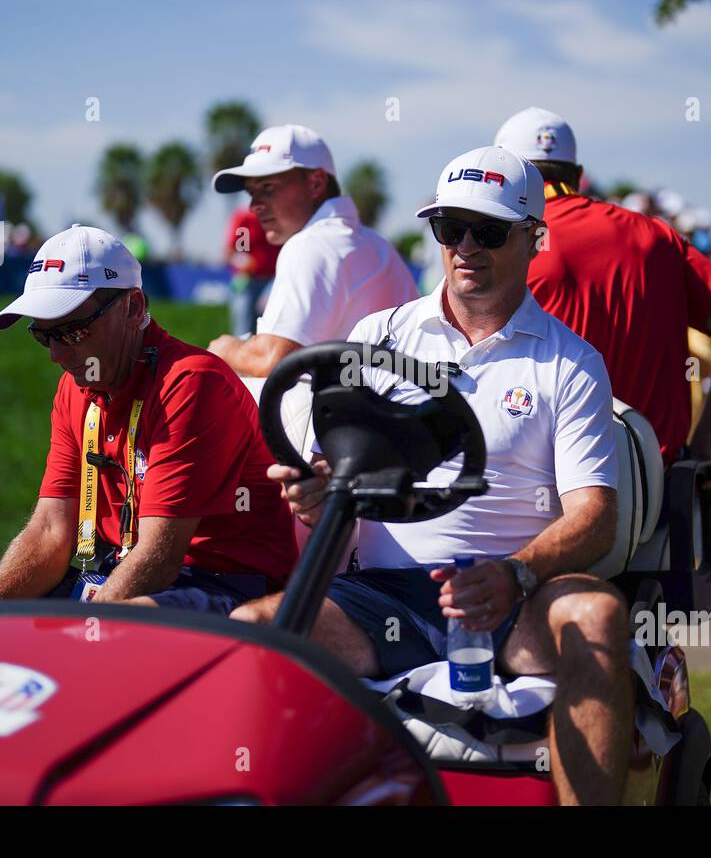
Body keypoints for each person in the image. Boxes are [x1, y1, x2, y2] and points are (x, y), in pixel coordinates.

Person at [233, 147, 631, 805]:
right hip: (383, 598)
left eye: (489, 230)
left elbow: (594, 515)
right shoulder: (380, 337)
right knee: (252, 627)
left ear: (533, 239)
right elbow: (335, 475)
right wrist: (317, 494)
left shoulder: (571, 362)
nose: (465, 246)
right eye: (450, 228)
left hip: (514, 597)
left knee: (597, 612)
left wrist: (515, 573)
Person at [0, 226, 296, 615]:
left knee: (116, 630)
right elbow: (51, 533)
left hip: (220, 585)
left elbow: (160, 558)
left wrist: (84, 629)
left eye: (72, 331)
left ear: (134, 307)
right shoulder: (76, 386)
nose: (56, 354)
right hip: (118, 576)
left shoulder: (191, 383)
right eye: (43, 335)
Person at [492, 108, 711, 492]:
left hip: (545, 486)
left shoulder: (505, 244)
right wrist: (708, 443)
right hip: (656, 485)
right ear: (576, 173)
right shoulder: (656, 236)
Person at [207, 124, 418, 376]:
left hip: (351, 411)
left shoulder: (311, 243)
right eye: (252, 192)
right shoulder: (377, 243)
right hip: (394, 406)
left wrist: (225, 348)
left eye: (267, 188)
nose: (254, 206)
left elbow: (271, 361)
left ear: (316, 183)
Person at [224, 207, 280, 336]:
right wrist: (244, 263)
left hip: (273, 281)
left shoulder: (280, 218)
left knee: (273, 323)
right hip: (247, 280)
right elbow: (230, 253)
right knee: (244, 321)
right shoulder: (245, 218)